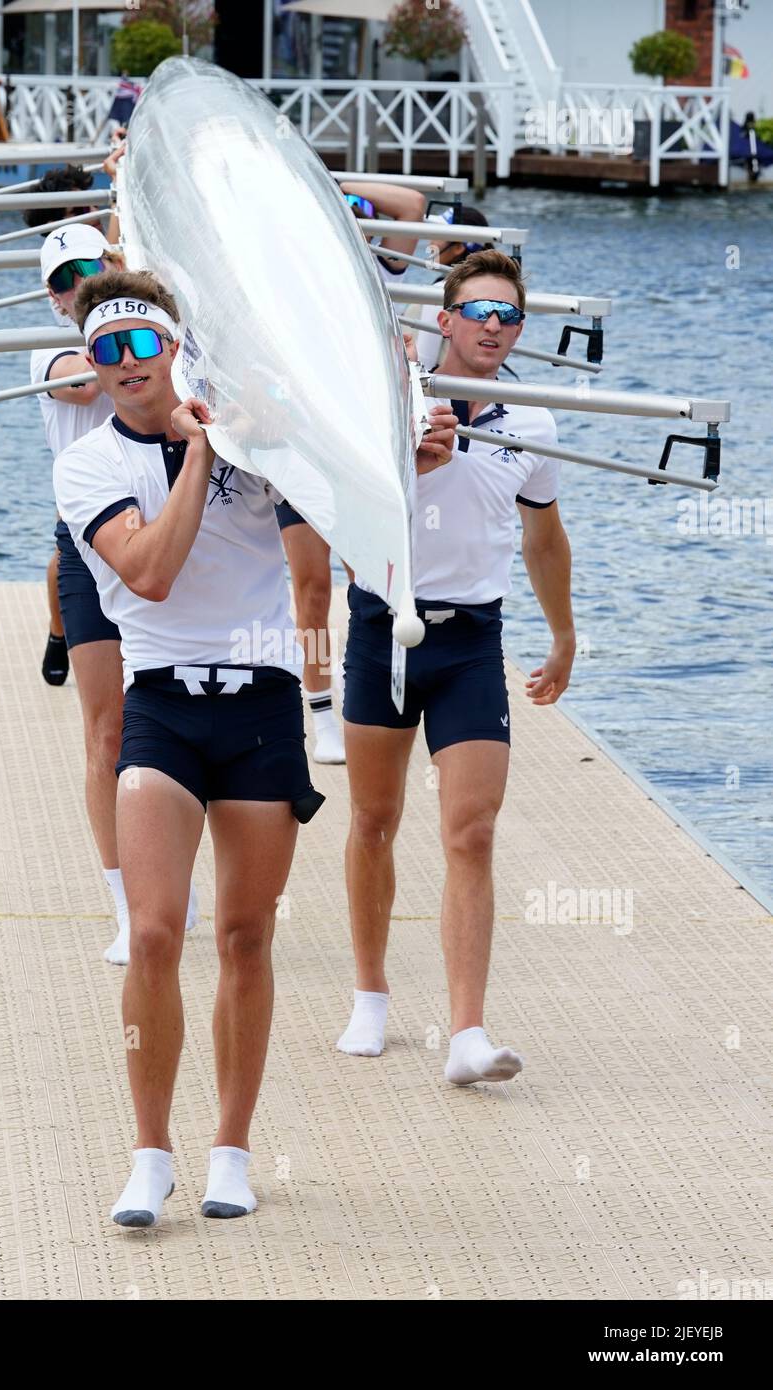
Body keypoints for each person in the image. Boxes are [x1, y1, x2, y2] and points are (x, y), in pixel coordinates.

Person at [52, 269, 332, 1227]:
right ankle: (149, 1152)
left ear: (174, 346)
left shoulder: (255, 433)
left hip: (260, 701)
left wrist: (419, 448)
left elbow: (341, 523)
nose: (129, 364)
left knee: (245, 938)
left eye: (144, 343)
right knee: (157, 931)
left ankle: (231, 1149)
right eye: (107, 351)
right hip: (162, 704)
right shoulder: (87, 467)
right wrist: (204, 452)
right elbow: (153, 574)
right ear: (92, 367)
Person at [338, 249, 576, 1086]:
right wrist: (409, 458)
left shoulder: (533, 421)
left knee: (471, 831)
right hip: (383, 623)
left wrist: (564, 638)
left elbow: (544, 537)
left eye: (510, 316)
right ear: (443, 321)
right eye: (478, 312)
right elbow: (334, 507)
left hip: (474, 638)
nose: (495, 328)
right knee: (373, 820)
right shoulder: (386, 400)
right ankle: (370, 993)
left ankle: (466, 1033)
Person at [32, 225, 196, 964]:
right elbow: (76, 379)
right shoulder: (59, 352)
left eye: (92, 268)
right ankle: (125, 901)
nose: (78, 283)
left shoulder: (159, 335)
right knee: (108, 731)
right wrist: (111, 343)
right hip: (91, 542)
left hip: (177, 528)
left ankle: (173, 873)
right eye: (65, 278)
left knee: (174, 717)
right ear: (53, 296)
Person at [273, 179, 429, 766]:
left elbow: (412, 207)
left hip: (363, 450)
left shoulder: (379, 271)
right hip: (301, 449)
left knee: (372, 579)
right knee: (311, 588)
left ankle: (376, 695)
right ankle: (320, 713)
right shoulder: (281, 281)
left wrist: (328, 180)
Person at [408, 204, 492, 370]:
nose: (430, 243)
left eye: (437, 235)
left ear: (458, 247)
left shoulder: (442, 291)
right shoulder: (487, 286)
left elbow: (423, 360)